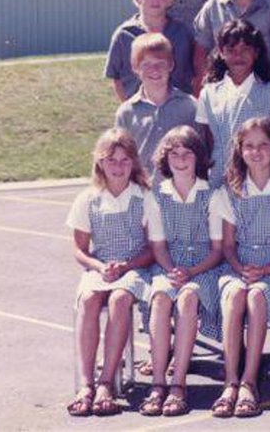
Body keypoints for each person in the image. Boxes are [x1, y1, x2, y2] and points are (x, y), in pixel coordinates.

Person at [212, 118, 270, 418]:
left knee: (257, 296)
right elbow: (227, 245)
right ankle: (230, 381)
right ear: (240, 150)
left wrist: (267, 269)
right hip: (239, 266)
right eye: (248, 146)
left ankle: (249, 381)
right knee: (236, 294)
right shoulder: (231, 190)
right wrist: (241, 268)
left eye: (263, 145)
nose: (256, 152)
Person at [66, 129, 154, 417]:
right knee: (89, 299)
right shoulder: (88, 199)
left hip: (135, 269)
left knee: (119, 299)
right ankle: (85, 384)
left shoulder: (144, 197)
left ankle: (107, 381)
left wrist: (126, 266)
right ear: (100, 163)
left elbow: (154, 248)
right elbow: (80, 250)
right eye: (111, 160)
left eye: (125, 160)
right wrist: (100, 267)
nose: (118, 167)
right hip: (100, 267)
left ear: (134, 163)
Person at [140, 127, 222, 417]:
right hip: (169, 266)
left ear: (198, 157)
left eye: (187, 153)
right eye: (174, 154)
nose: (181, 159)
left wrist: (191, 271)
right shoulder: (156, 195)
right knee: (161, 298)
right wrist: (171, 270)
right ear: (165, 158)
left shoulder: (212, 194)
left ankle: (178, 384)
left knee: (188, 298)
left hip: (203, 269)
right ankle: (158, 382)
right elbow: (158, 244)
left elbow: (217, 250)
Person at [196, 20, 270, 189]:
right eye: (231, 50)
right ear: (220, 52)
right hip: (221, 177)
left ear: (256, 52)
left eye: (245, 50)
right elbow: (210, 142)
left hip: (262, 177)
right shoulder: (208, 93)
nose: (238, 56)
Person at [113, 33, 198, 182]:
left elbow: (201, 154)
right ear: (135, 68)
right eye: (146, 64)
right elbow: (121, 158)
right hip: (142, 193)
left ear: (171, 65)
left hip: (181, 194)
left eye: (160, 63)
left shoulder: (190, 106)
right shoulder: (126, 112)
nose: (154, 69)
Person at [105, 0, 197, 99]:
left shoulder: (183, 32)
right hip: (139, 111)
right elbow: (116, 77)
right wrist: (128, 107)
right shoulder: (124, 34)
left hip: (179, 108)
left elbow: (195, 72)